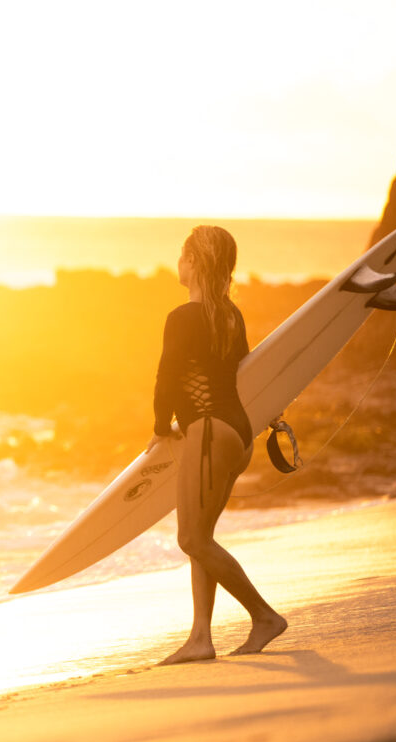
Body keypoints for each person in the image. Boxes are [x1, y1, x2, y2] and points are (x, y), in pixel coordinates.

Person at [147, 226, 287, 665]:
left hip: (208, 433)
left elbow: (167, 378)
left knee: (191, 538)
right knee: (202, 538)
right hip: (238, 433)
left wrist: (160, 427)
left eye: (181, 255)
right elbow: (244, 371)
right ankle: (200, 638)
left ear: (192, 261)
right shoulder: (230, 315)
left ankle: (264, 616)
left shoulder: (182, 317)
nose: (178, 263)